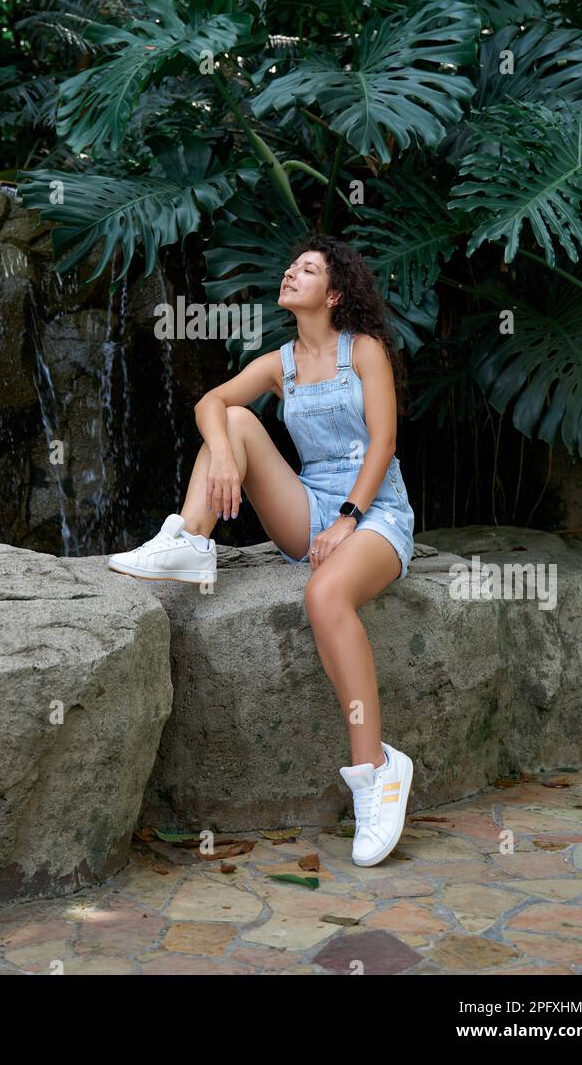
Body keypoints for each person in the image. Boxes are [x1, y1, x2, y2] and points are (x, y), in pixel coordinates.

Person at [107, 232, 415, 866]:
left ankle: (376, 771)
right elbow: (210, 402)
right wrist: (224, 454)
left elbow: (383, 443)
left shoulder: (365, 351)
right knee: (234, 420)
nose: (290, 274)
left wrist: (349, 519)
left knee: (324, 595)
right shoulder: (282, 363)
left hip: (375, 510)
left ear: (334, 294)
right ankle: (191, 539)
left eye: (308, 270)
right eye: (291, 266)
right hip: (308, 506)